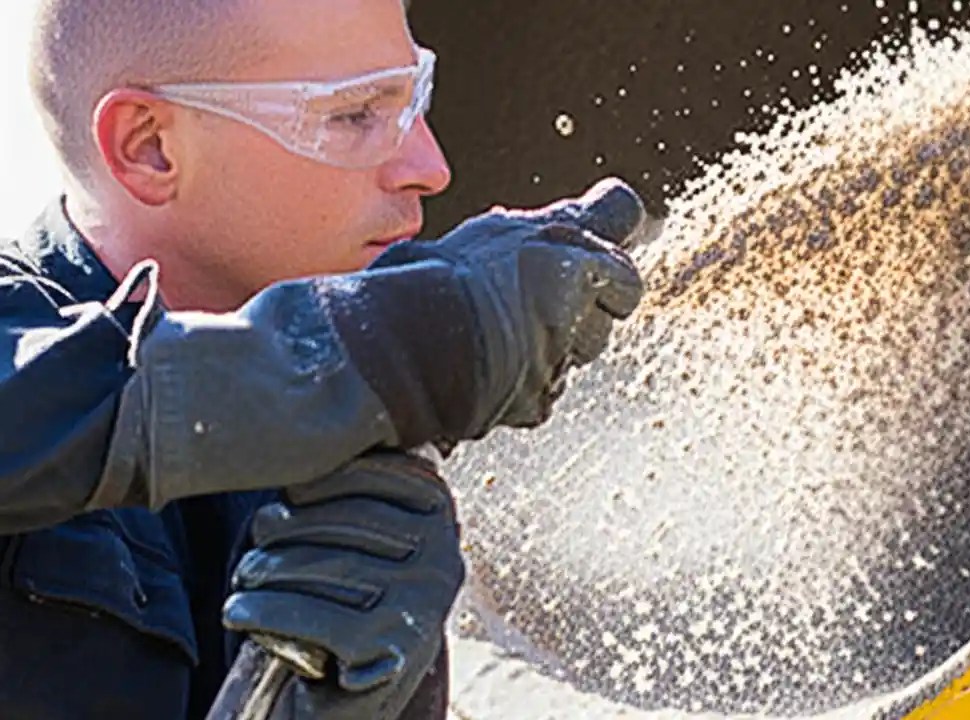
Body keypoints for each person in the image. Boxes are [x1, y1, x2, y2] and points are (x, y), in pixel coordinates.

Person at [0, 0, 648, 718]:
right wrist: (393, 346)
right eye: (354, 114)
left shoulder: (341, 440)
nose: (430, 167)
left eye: (413, 101)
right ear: (150, 146)